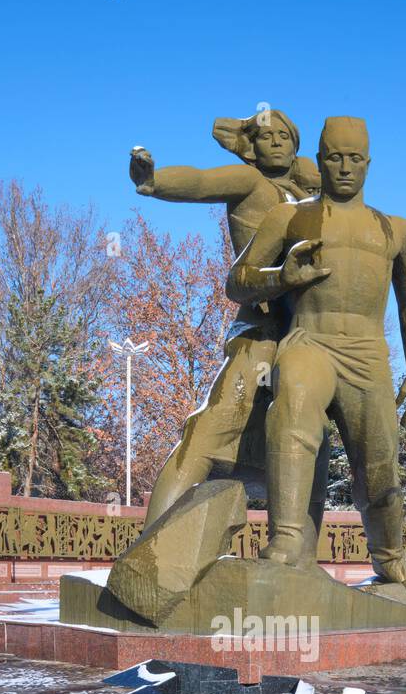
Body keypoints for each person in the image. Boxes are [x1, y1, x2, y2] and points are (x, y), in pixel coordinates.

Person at [227, 116, 406, 589]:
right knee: (292, 414)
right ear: (318, 161)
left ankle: (390, 558)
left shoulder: (396, 229)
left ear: (369, 163)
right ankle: (286, 544)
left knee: (379, 462)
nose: (344, 168)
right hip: (309, 340)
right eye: (334, 157)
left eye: (354, 159)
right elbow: (237, 281)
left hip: (367, 353)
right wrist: (281, 279)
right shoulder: (289, 216)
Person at [129, 111, 327, 557]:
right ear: (250, 147)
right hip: (261, 330)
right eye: (265, 137)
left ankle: (298, 564)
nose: (275, 143)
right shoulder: (251, 183)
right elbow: (200, 181)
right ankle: (149, 554)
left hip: (310, 339)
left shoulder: (309, 191)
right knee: (208, 434)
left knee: (313, 451)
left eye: (285, 137)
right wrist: (153, 181)